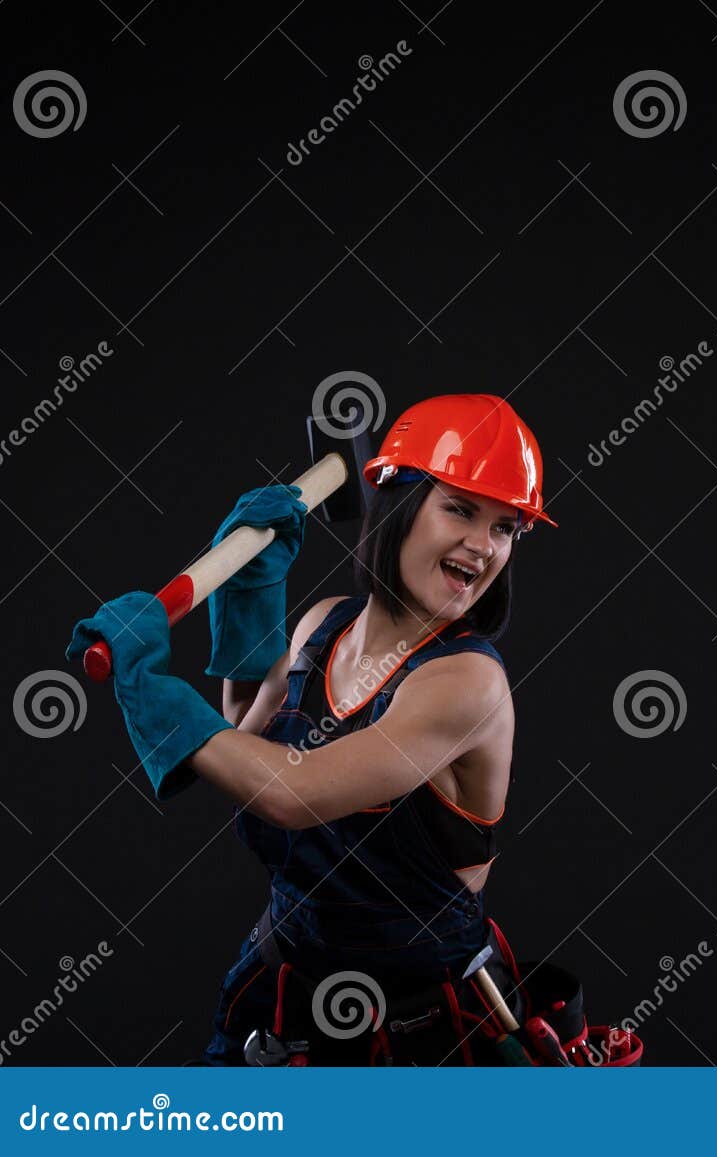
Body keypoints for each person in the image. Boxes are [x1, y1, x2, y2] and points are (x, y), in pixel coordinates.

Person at [66, 394, 639, 1066]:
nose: (482, 547)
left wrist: (155, 696)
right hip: (284, 993)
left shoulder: (465, 685)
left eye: (506, 528)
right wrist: (250, 600)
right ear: (399, 503)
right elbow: (246, 751)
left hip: (420, 1037)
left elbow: (293, 792)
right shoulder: (325, 626)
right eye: (459, 508)